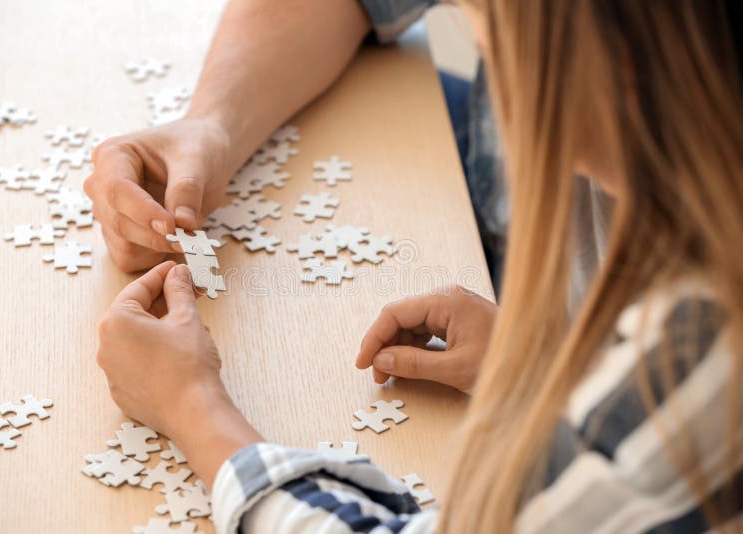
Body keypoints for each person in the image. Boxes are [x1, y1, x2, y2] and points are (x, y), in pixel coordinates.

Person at [92, 0, 743, 532]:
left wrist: (194, 407)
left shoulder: (710, 345)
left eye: (488, 45)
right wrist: (209, 128)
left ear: (615, 65)